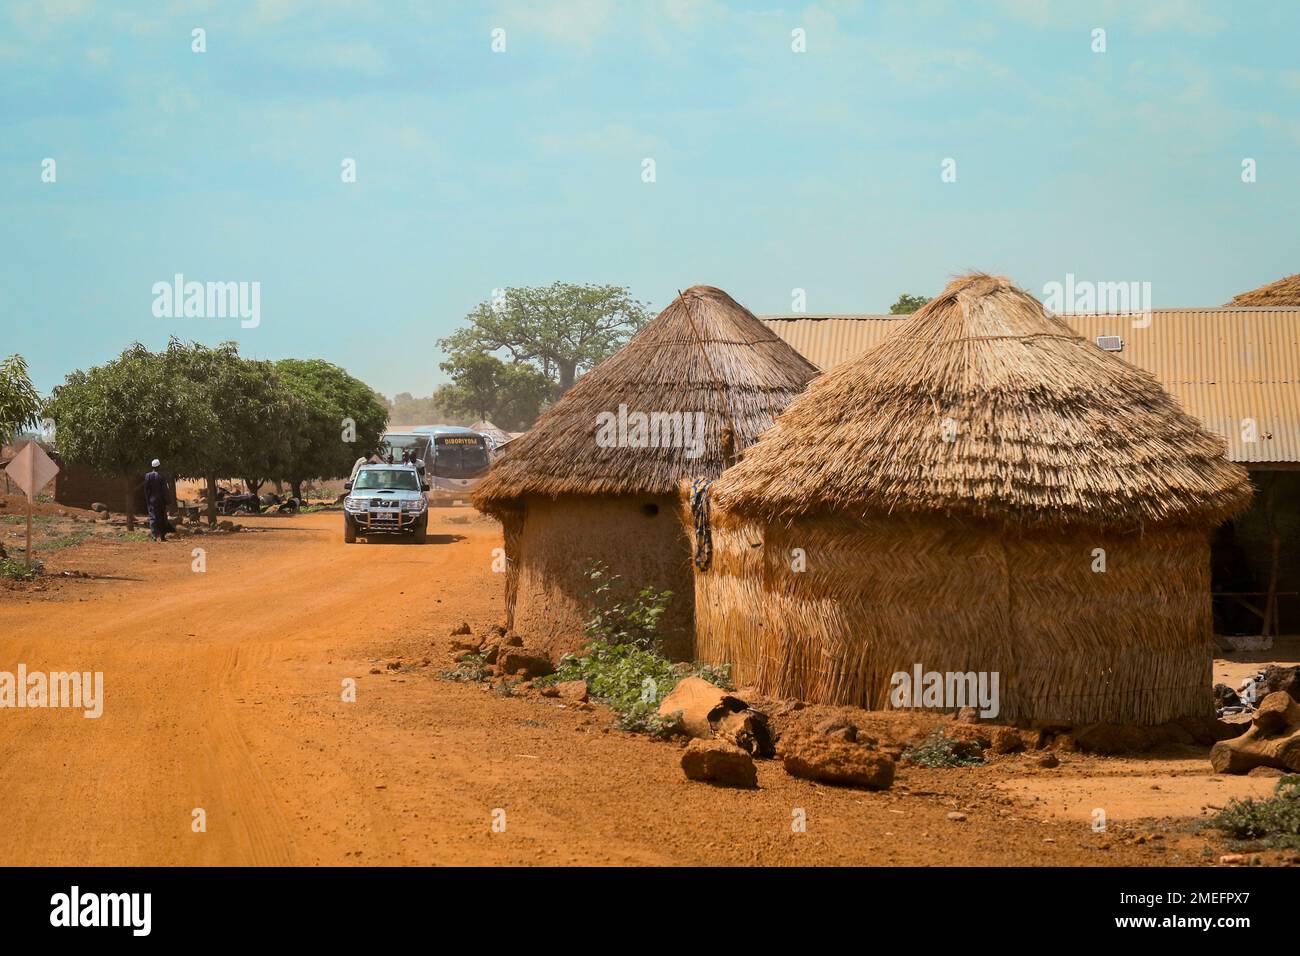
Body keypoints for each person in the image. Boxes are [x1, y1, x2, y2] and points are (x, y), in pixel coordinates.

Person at [144, 458, 171, 542]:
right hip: (161, 501)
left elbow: (146, 490)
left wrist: (148, 500)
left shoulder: (147, 476)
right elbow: (165, 490)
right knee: (162, 518)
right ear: (159, 466)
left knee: (153, 518)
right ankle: (162, 537)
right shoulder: (161, 476)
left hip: (152, 501)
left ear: (152, 467)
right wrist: (167, 501)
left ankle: (154, 536)